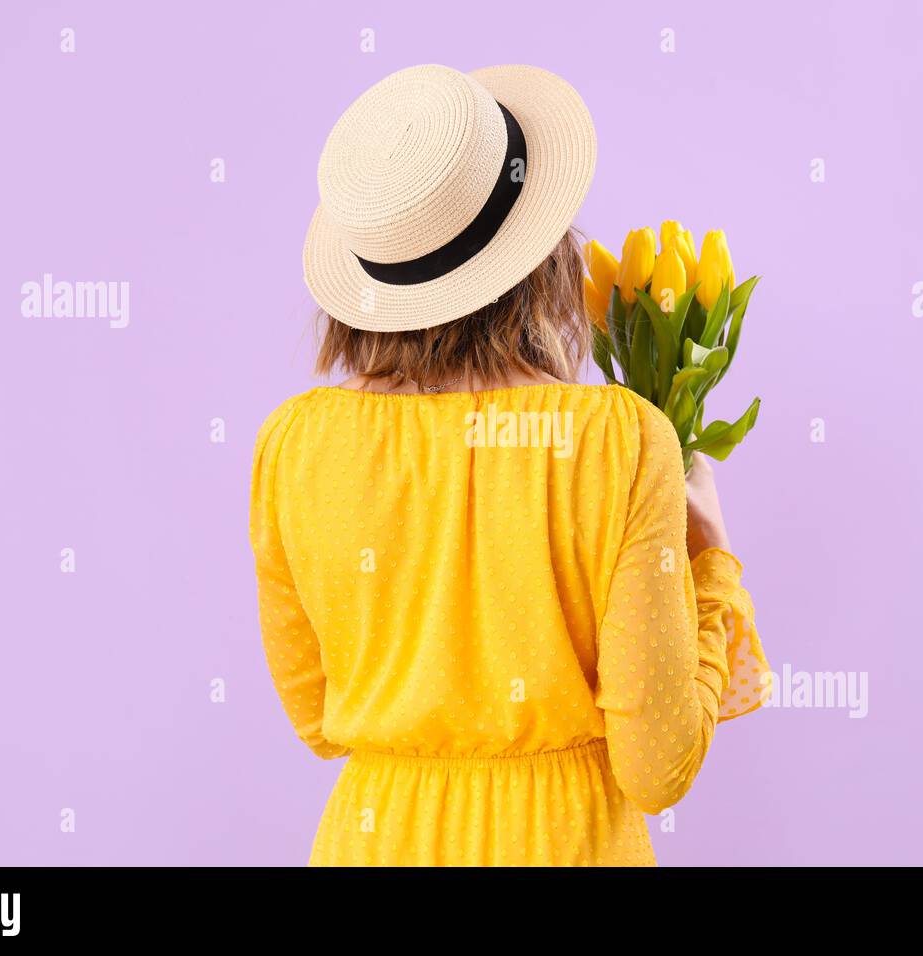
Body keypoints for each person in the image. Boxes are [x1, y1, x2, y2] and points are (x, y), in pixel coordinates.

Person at [250, 63, 768, 866]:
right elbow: (657, 767)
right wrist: (711, 567)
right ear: (543, 254)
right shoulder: (618, 441)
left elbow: (316, 719)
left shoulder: (293, 445)